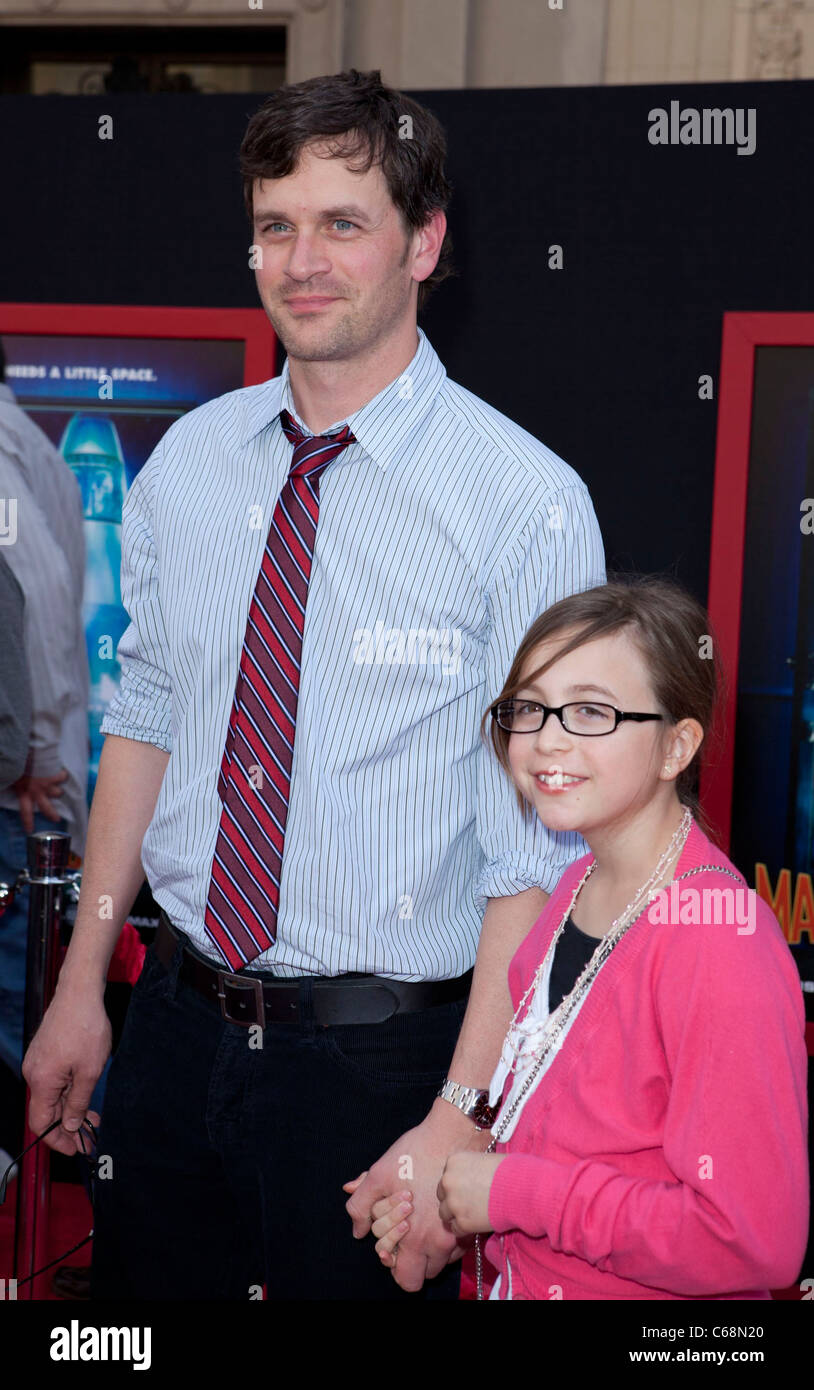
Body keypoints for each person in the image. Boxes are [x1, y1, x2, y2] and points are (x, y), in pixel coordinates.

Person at [22, 68, 605, 1301]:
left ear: (424, 243)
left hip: (386, 1069)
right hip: (173, 1032)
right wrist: (84, 985)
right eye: (277, 224)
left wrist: (462, 1113)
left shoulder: (525, 503)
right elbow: (147, 720)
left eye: (343, 223)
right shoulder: (189, 463)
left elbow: (542, 857)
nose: (302, 260)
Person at [370, 577, 809, 1299]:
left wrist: (514, 1195)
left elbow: (750, 1240)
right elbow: (545, 1132)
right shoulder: (572, 892)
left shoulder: (719, 944)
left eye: (590, 712)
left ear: (676, 747)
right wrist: (456, 1214)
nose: (546, 740)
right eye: (530, 709)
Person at [0, 341, 89, 1093]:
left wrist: (33, 753)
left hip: (17, 797)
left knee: (19, 1015)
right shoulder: (30, 447)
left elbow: (35, 586)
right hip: (31, 782)